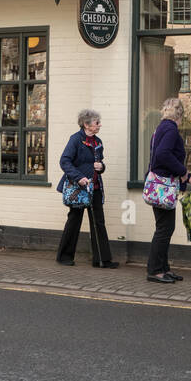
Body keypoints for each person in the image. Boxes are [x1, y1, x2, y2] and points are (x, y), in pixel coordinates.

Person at [146, 97, 191, 284]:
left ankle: (163, 268)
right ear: (180, 114)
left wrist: (183, 173)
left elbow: (158, 155)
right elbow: (162, 154)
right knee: (164, 228)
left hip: (160, 184)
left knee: (165, 227)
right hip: (164, 186)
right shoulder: (170, 129)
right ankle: (154, 270)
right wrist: (184, 172)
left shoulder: (161, 127)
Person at [56, 108, 117, 268]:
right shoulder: (75, 140)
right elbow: (64, 161)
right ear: (86, 124)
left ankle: (102, 260)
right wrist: (79, 178)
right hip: (78, 188)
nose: (99, 125)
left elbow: (99, 164)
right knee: (74, 221)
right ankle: (64, 257)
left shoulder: (98, 142)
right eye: (97, 123)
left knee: (98, 223)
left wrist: (101, 167)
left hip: (94, 187)